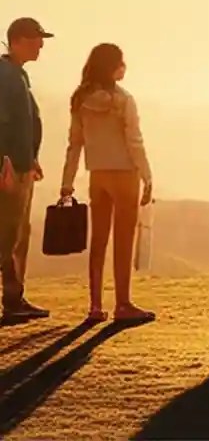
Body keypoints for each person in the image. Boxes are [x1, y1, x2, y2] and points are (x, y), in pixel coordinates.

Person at [58, 43, 156, 324]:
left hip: (97, 175)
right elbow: (134, 142)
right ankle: (123, 304)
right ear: (112, 67)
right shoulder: (123, 100)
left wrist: (67, 183)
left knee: (98, 241)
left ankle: (95, 306)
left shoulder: (80, 99)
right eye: (121, 63)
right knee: (124, 242)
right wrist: (147, 175)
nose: (124, 67)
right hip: (125, 174)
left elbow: (74, 145)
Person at [0, 17, 53, 323]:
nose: (41, 45)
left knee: (17, 235)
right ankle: (12, 298)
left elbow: (23, 122)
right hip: (10, 170)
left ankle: (14, 298)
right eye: (36, 39)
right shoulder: (6, 76)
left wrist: (31, 157)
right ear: (18, 39)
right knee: (7, 235)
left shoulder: (17, 75)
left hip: (21, 167)